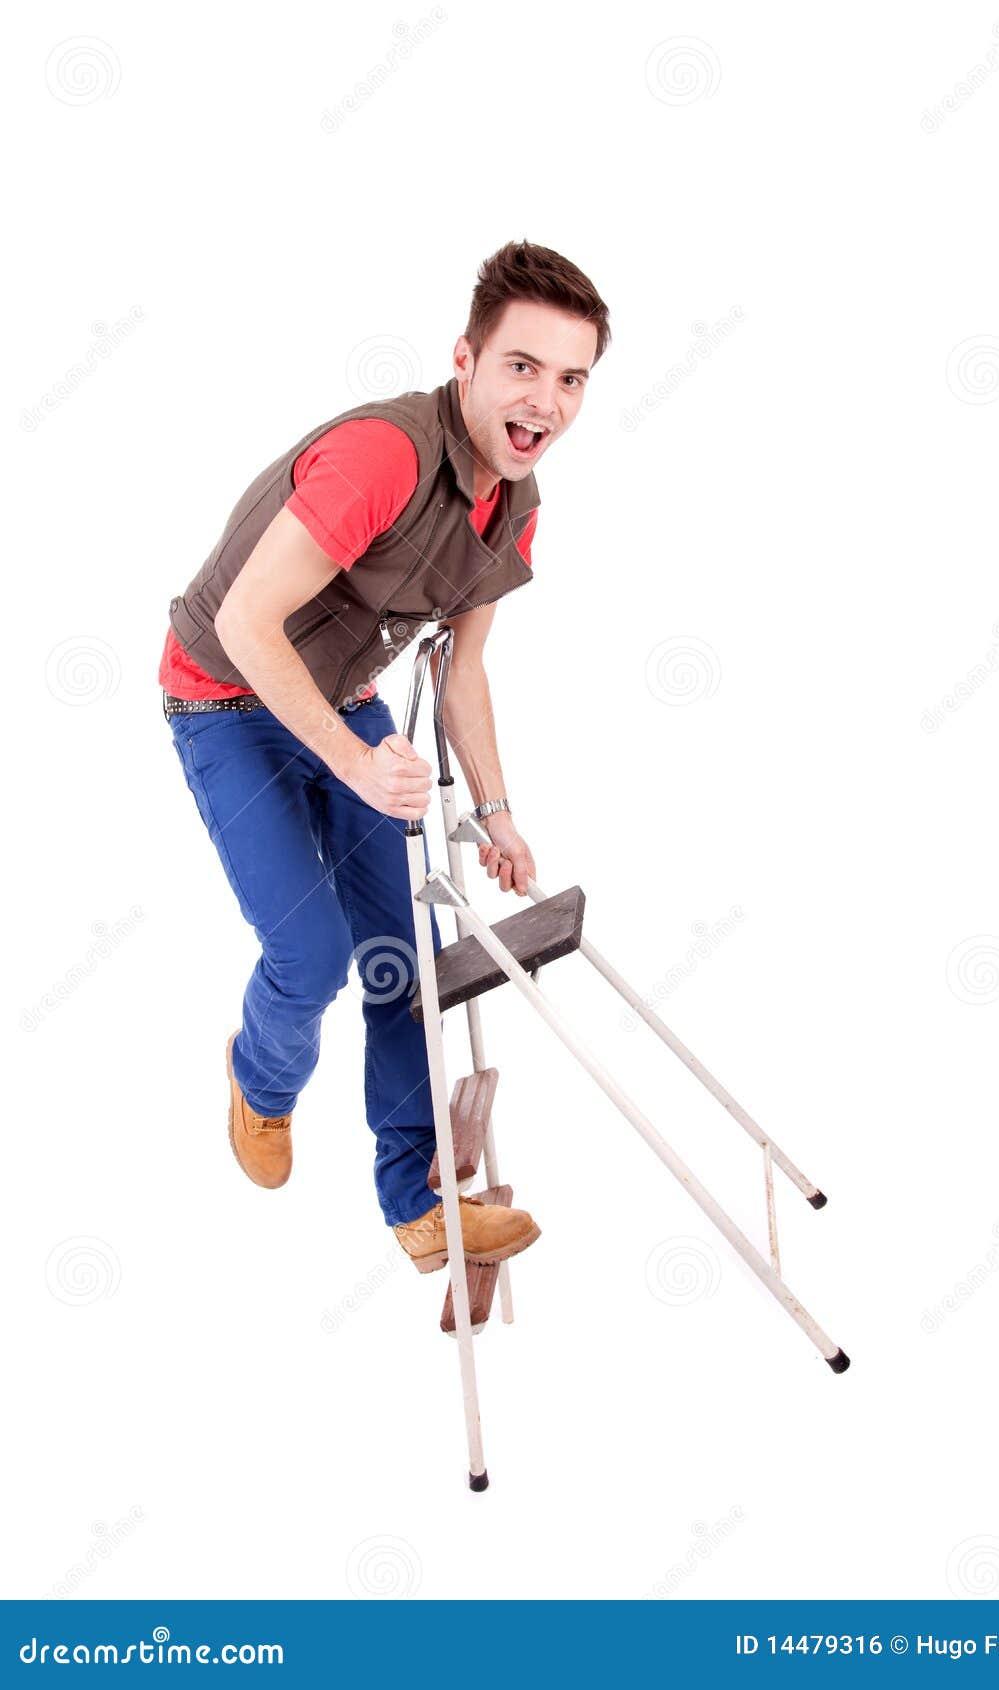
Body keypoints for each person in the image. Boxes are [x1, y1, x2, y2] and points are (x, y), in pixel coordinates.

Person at [159, 239, 611, 1271]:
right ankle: (258, 1081)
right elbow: (243, 624)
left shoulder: (517, 510)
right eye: (521, 366)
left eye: (571, 378)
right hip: (224, 696)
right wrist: (358, 763)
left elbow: (461, 674)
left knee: (395, 957)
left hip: (341, 697)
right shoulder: (384, 457)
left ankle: (417, 1206)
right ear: (465, 359)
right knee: (310, 953)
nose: (545, 400)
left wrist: (498, 814)